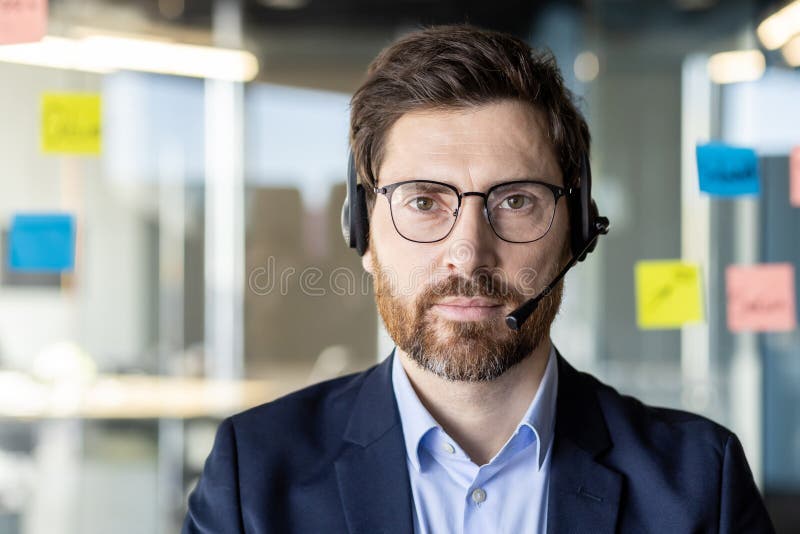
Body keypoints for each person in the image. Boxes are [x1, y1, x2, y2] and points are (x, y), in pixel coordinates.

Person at [182, 24, 775, 533]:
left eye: (516, 200)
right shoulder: (252, 478)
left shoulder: (701, 486)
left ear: (580, 231)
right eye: (423, 202)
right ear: (362, 233)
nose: (468, 254)